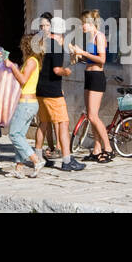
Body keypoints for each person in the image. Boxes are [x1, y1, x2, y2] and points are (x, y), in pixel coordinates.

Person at [35, 12, 84, 171]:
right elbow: (56, 70)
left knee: (43, 124)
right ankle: (67, 160)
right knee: (63, 124)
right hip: (52, 91)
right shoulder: (55, 46)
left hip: (40, 90)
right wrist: (66, 71)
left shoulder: (42, 44)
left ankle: (39, 157)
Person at [68, 9, 113, 163]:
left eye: (84, 23)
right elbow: (90, 59)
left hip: (97, 77)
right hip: (89, 75)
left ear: (91, 23)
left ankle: (108, 148)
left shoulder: (99, 37)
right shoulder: (90, 38)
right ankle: (96, 148)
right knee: (90, 115)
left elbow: (102, 60)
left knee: (93, 116)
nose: (82, 27)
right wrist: (77, 55)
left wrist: (84, 53)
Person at [5, 31, 45, 177]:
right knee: (20, 134)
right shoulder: (34, 61)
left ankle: (35, 160)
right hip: (29, 103)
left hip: (26, 103)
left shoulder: (31, 61)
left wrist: (12, 66)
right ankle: (19, 168)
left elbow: (23, 80)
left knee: (14, 134)